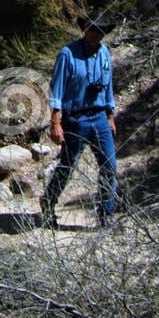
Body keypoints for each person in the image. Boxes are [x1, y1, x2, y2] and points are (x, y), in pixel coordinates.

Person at [43, 12, 118, 228]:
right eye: (92, 28)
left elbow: (108, 87)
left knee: (109, 166)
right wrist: (55, 122)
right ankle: (48, 203)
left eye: (101, 30)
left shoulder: (104, 53)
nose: (97, 34)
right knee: (68, 165)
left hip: (100, 117)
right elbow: (57, 89)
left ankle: (106, 214)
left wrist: (110, 115)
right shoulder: (67, 54)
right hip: (75, 119)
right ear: (84, 29)